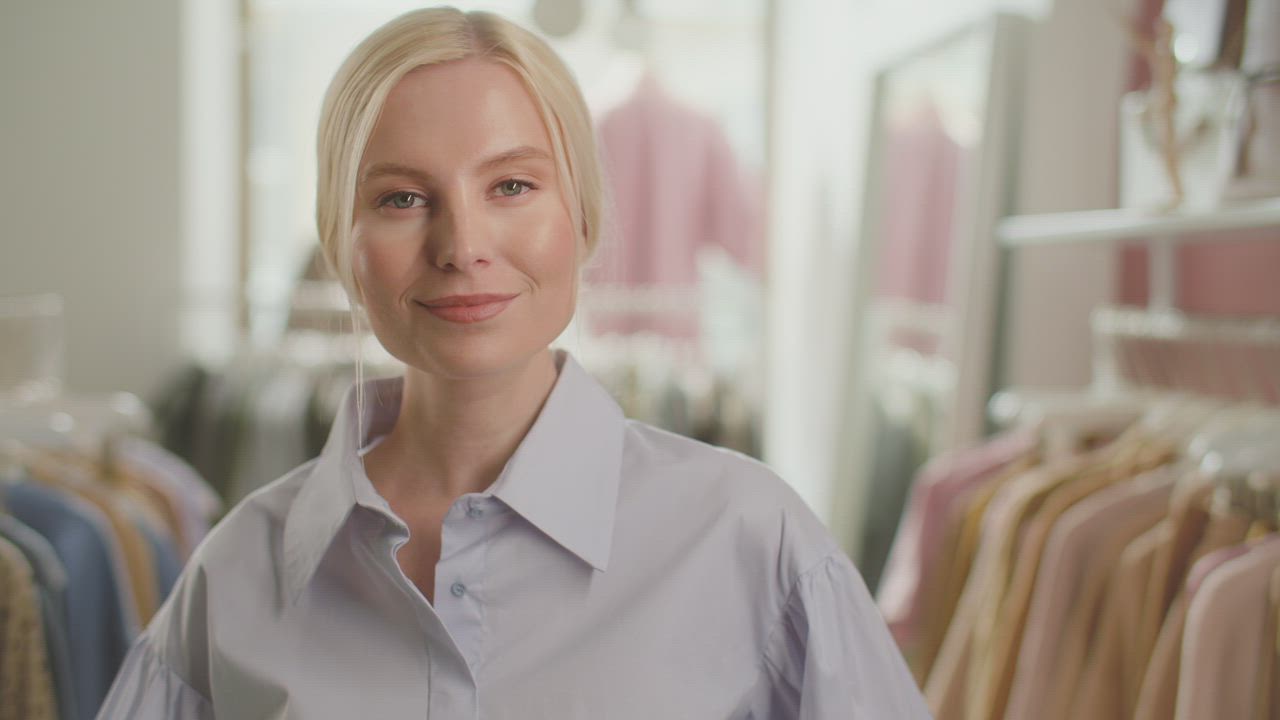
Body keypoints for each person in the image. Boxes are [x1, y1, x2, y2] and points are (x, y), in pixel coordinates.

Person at [97, 7, 930, 718]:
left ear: (586, 217)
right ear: (339, 246)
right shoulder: (237, 569)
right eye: (401, 199)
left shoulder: (753, 539)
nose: (462, 247)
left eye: (512, 187)